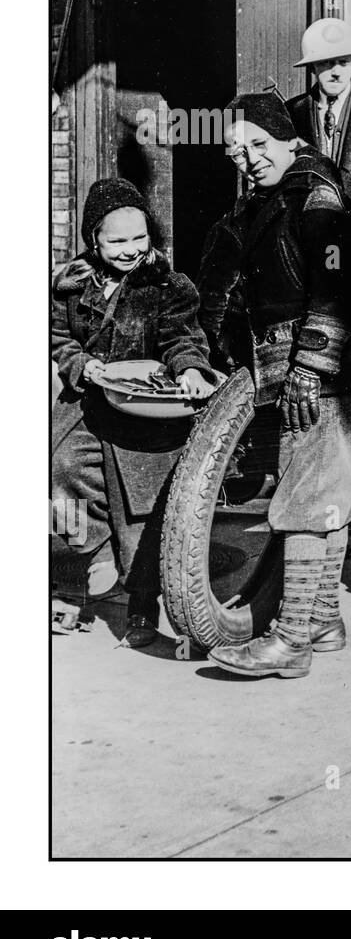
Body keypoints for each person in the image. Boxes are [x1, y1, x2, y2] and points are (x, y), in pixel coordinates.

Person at [196, 90, 351, 679]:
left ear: (291, 140)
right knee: (327, 490)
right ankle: (323, 617)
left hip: (320, 371)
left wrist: (307, 367)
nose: (246, 157)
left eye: (258, 144)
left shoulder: (316, 198)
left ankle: (290, 638)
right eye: (235, 150)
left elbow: (335, 288)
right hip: (315, 371)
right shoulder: (276, 199)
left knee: (304, 497)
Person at [51, 179, 219, 645]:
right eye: (117, 240)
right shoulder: (69, 285)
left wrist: (189, 368)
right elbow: (58, 338)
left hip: (144, 407)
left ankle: (143, 606)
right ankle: (80, 572)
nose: (130, 250)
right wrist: (82, 365)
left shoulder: (166, 284)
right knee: (61, 474)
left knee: (139, 510)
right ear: (94, 239)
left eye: (139, 238)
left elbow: (182, 338)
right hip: (88, 400)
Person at [285, 18, 351, 210]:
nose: (335, 72)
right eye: (326, 64)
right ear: (312, 68)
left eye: (343, 63)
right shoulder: (291, 112)